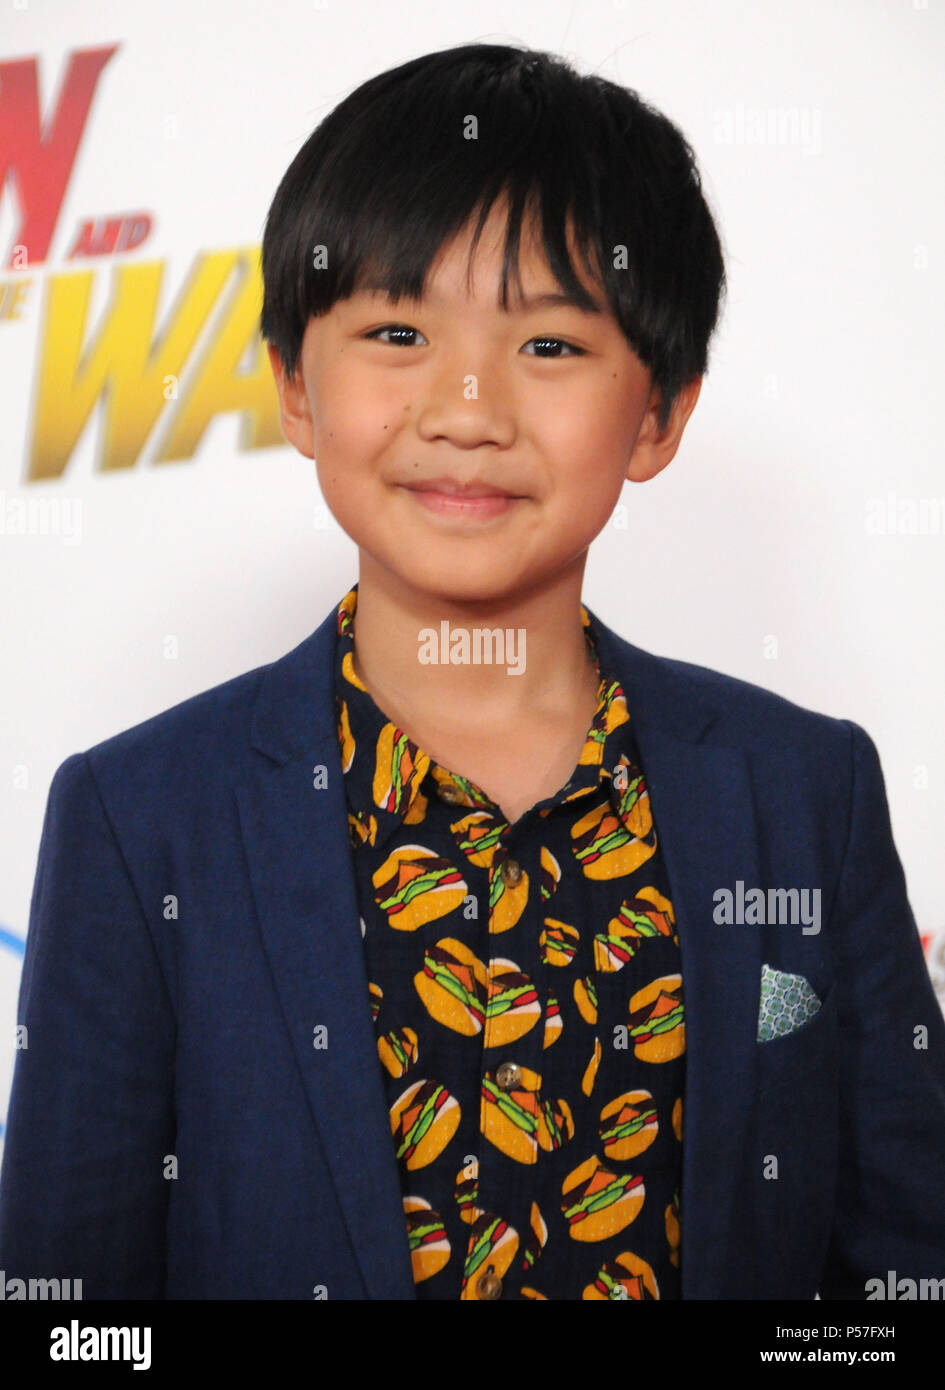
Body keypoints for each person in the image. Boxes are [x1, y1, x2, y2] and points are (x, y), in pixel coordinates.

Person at [1, 41, 943, 1302]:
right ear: (293, 385)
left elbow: (905, 1277)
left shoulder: (803, 792)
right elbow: (69, 1319)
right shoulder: (144, 817)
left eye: (550, 347)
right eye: (397, 330)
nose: (465, 407)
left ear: (658, 411)